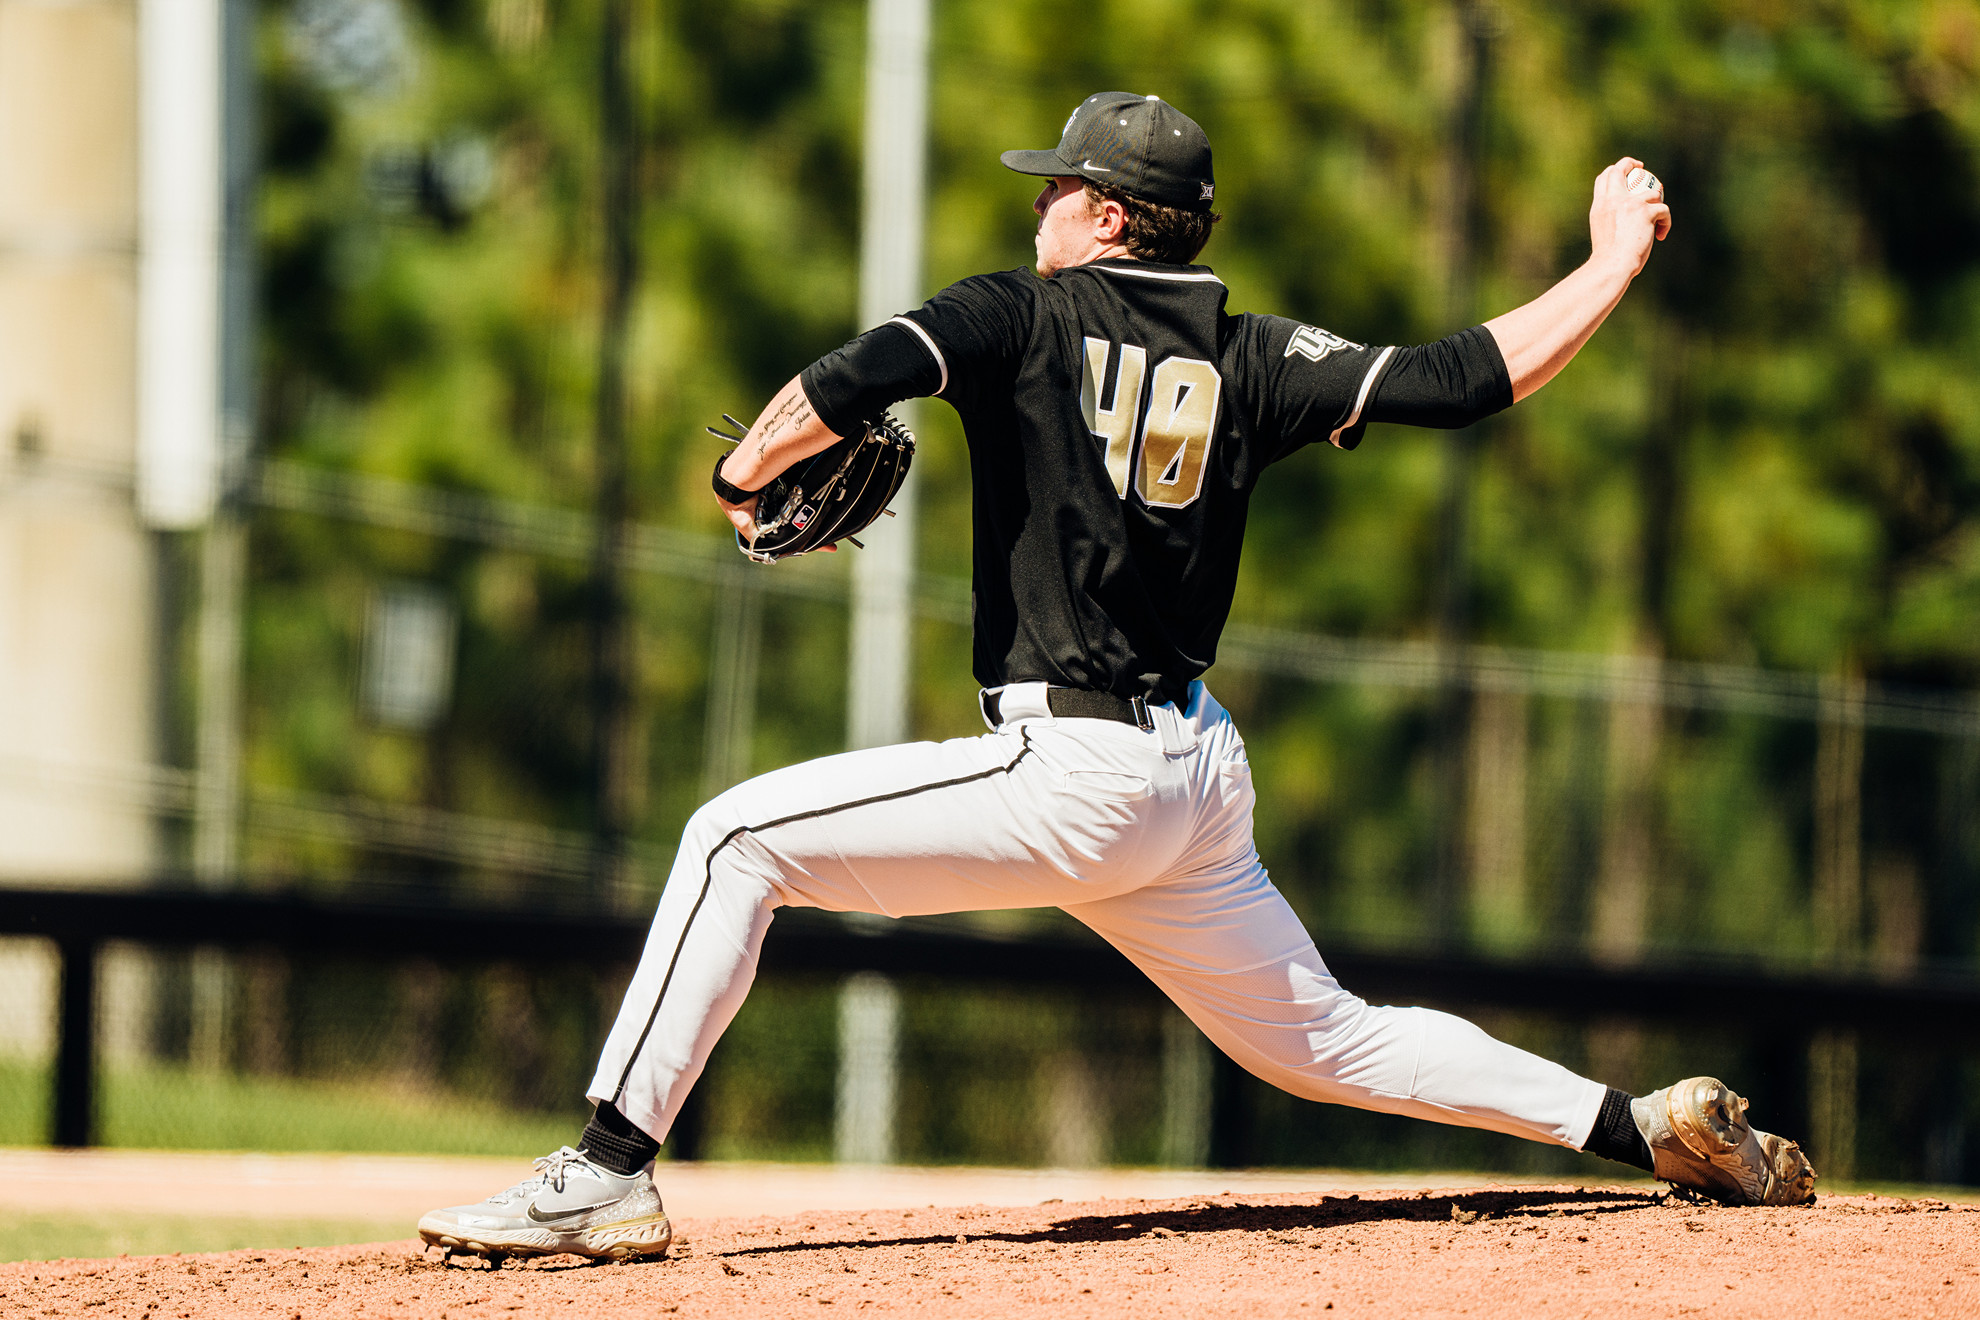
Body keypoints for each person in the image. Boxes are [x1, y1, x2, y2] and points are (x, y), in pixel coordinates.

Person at [418, 92, 1814, 1264]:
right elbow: (1465, 378)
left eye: (1058, 189)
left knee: (731, 838)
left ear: (1101, 215)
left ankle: (605, 1170)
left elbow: (845, 382)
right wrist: (1612, 259)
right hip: (1191, 777)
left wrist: (739, 476)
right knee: (1321, 1042)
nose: (1040, 211)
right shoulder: (1252, 352)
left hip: (1074, 768)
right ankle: (1640, 1126)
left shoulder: (1016, 315)